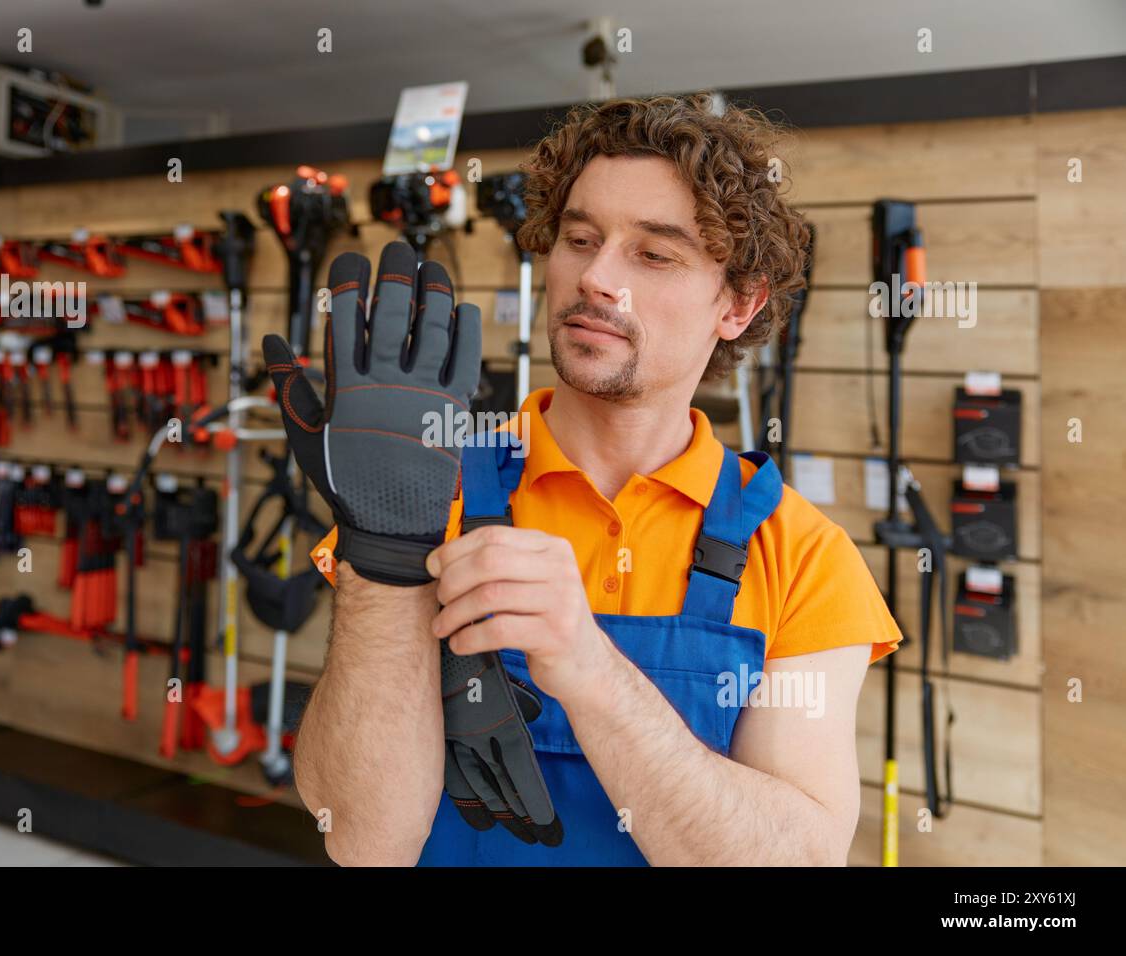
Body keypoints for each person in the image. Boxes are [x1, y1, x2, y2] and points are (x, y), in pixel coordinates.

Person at [262, 93, 901, 866]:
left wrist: (589, 669)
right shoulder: (428, 488)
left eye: (653, 254)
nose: (597, 276)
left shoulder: (801, 556)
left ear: (739, 303)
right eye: (579, 238)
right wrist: (385, 554)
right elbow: (360, 839)